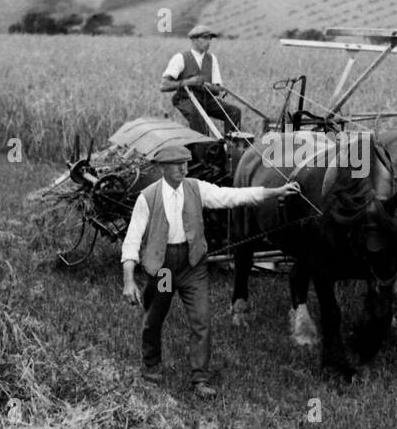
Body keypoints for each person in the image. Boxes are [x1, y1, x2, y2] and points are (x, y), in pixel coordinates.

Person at [121, 144, 299, 398]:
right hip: (164, 271)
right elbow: (131, 240)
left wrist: (276, 191)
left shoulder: (196, 188)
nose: (183, 167)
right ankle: (151, 368)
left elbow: (232, 196)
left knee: (202, 320)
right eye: (176, 164)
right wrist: (129, 280)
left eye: (185, 162)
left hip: (193, 266)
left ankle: (200, 379)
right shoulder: (147, 198)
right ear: (162, 168)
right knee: (155, 317)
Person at [161, 24, 244, 136]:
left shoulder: (212, 59)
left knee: (234, 111)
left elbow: (217, 89)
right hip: (185, 99)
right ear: (194, 40)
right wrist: (189, 82)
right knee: (198, 117)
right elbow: (164, 85)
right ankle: (203, 150)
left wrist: (208, 86)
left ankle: (230, 147)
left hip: (207, 99)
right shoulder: (180, 58)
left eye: (210, 38)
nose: (208, 42)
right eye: (205, 38)